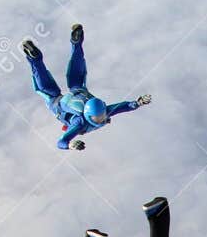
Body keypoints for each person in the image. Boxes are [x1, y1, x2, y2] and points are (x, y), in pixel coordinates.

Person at [22, 25, 150, 151]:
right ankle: (36, 59)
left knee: (70, 80)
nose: (101, 119)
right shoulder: (79, 123)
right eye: (98, 118)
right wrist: (70, 146)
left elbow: (123, 107)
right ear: (88, 115)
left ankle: (73, 45)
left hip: (77, 92)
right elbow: (61, 142)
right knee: (48, 90)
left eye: (101, 116)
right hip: (59, 104)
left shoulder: (104, 112)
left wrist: (138, 103)